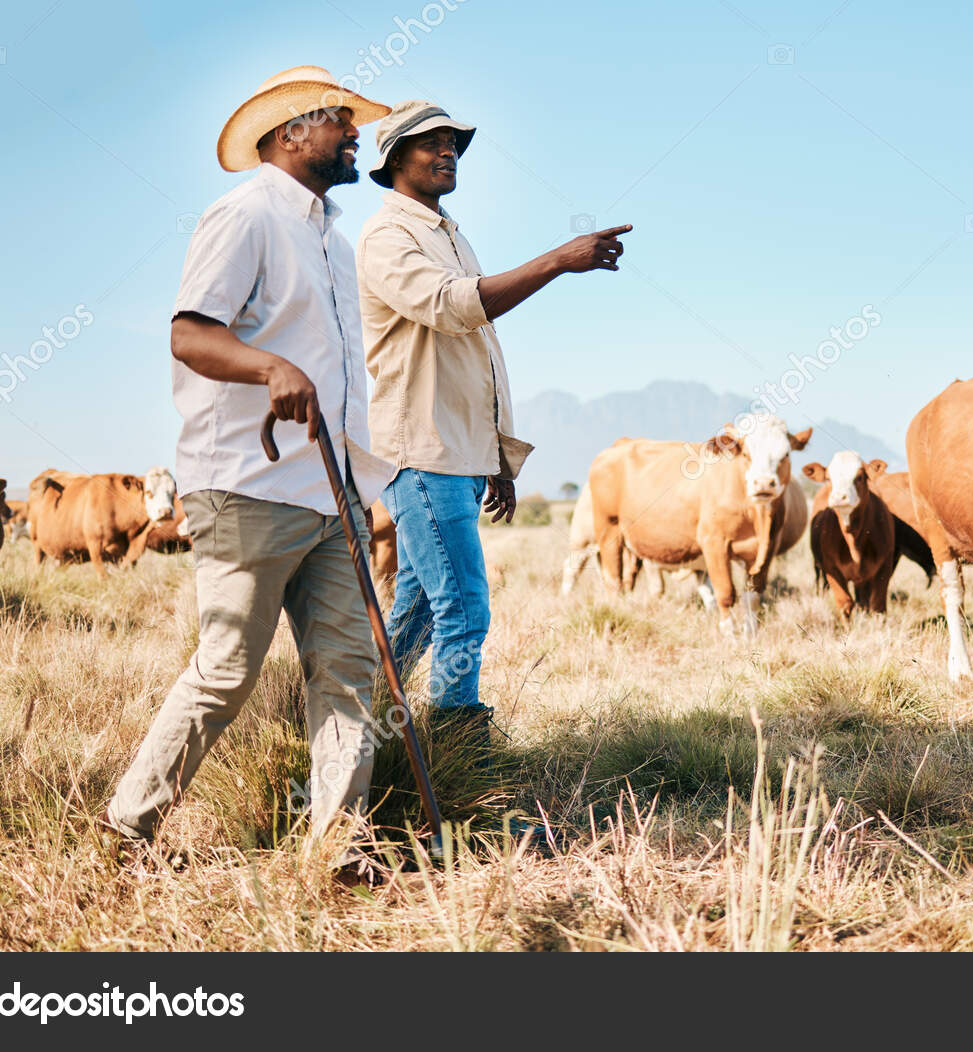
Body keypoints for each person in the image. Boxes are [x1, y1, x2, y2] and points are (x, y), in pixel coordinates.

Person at [103, 67, 396, 877]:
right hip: (248, 483)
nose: (353, 132)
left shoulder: (332, 241)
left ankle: (339, 845)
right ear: (289, 132)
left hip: (330, 489)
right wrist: (270, 367)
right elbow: (191, 335)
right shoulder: (245, 214)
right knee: (228, 670)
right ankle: (131, 826)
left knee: (349, 671)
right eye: (339, 119)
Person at [356, 100, 630, 748]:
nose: (448, 152)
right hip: (422, 454)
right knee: (467, 610)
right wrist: (558, 260)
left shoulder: (449, 234)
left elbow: (479, 353)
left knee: (420, 612)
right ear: (395, 159)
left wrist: (497, 459)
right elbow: (455, 309)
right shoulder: (386, 238)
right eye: (432, 143)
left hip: (458, 455)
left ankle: (360, 738)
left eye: (453, 142)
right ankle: (460, 759)